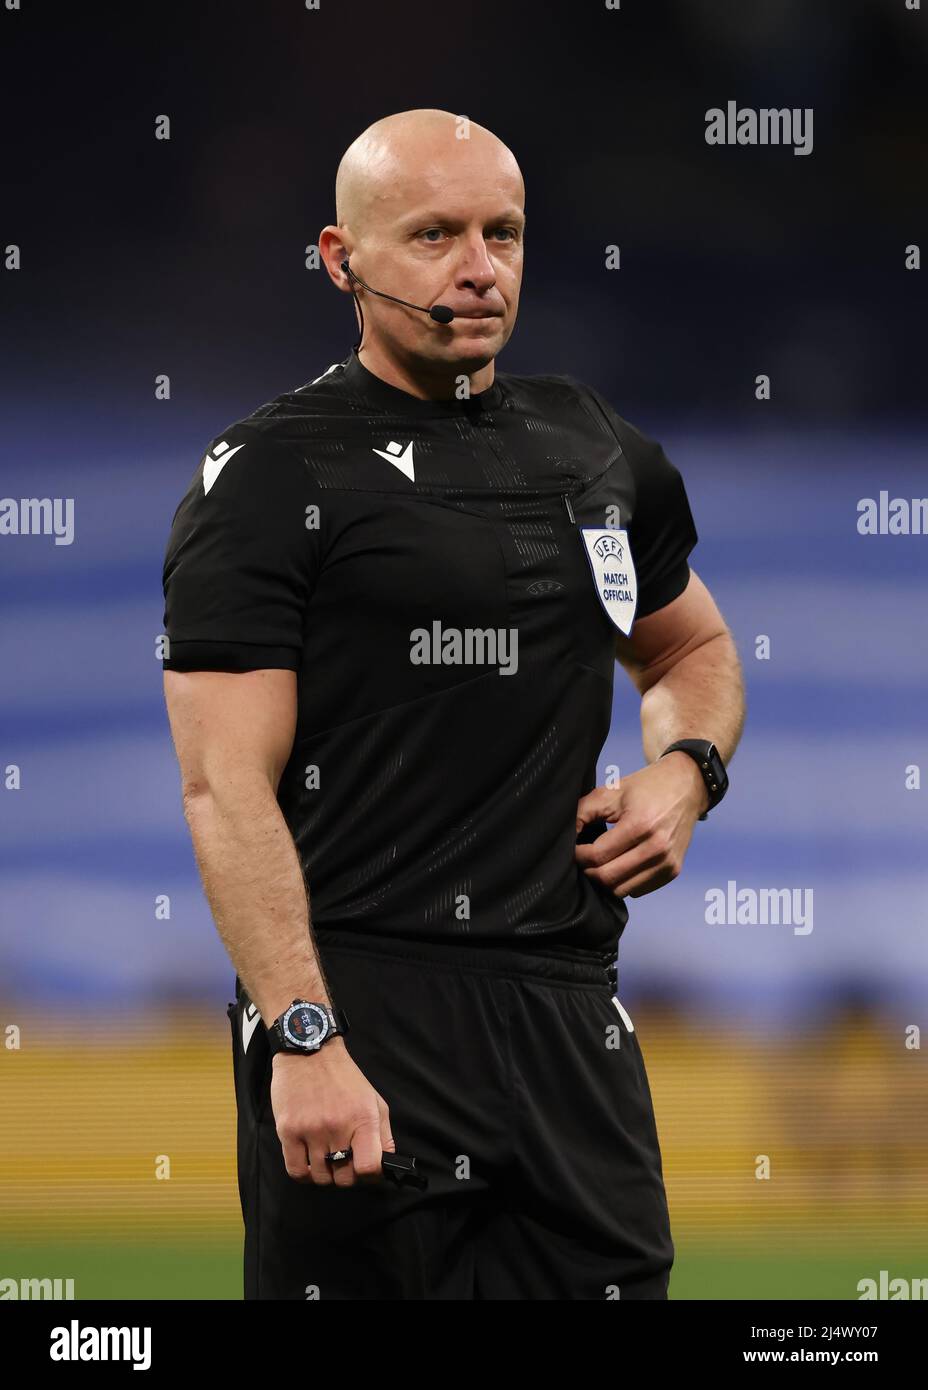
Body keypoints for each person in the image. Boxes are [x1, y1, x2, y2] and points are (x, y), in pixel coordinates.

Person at [161, 108, 745, 1300]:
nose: (479, 268)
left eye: (504, 233)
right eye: (433, 234)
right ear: (341, 258)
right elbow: (226, 789)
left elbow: (693, 647)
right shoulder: (271, 475)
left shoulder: (592, 447)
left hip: (568, 1012)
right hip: (365, 1004)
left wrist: (685, 772)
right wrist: (304, 1040)